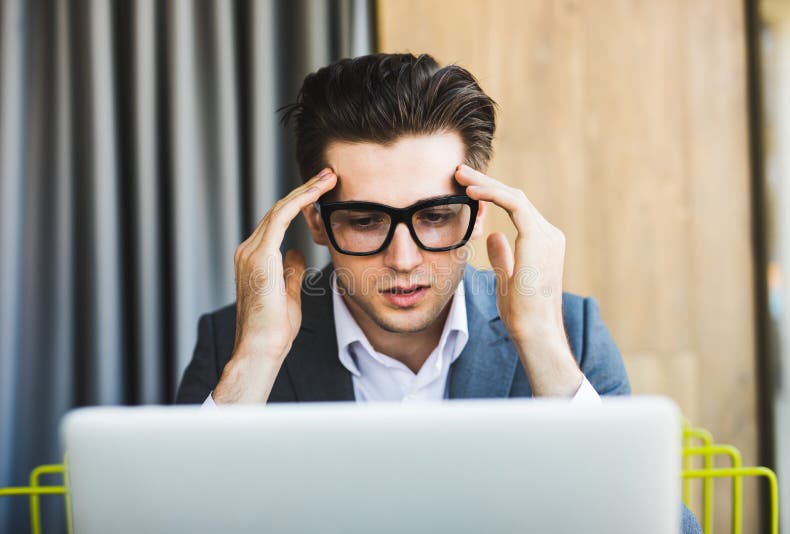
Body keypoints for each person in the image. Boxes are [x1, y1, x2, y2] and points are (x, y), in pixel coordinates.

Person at [175, 53, 701, 533]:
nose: (404, 260)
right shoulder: (232, 343)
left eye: (435, 216)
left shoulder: (572, 333)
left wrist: (540, 340)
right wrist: (257, 360)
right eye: (363, 220)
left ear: (478, 213)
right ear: (314, 219)